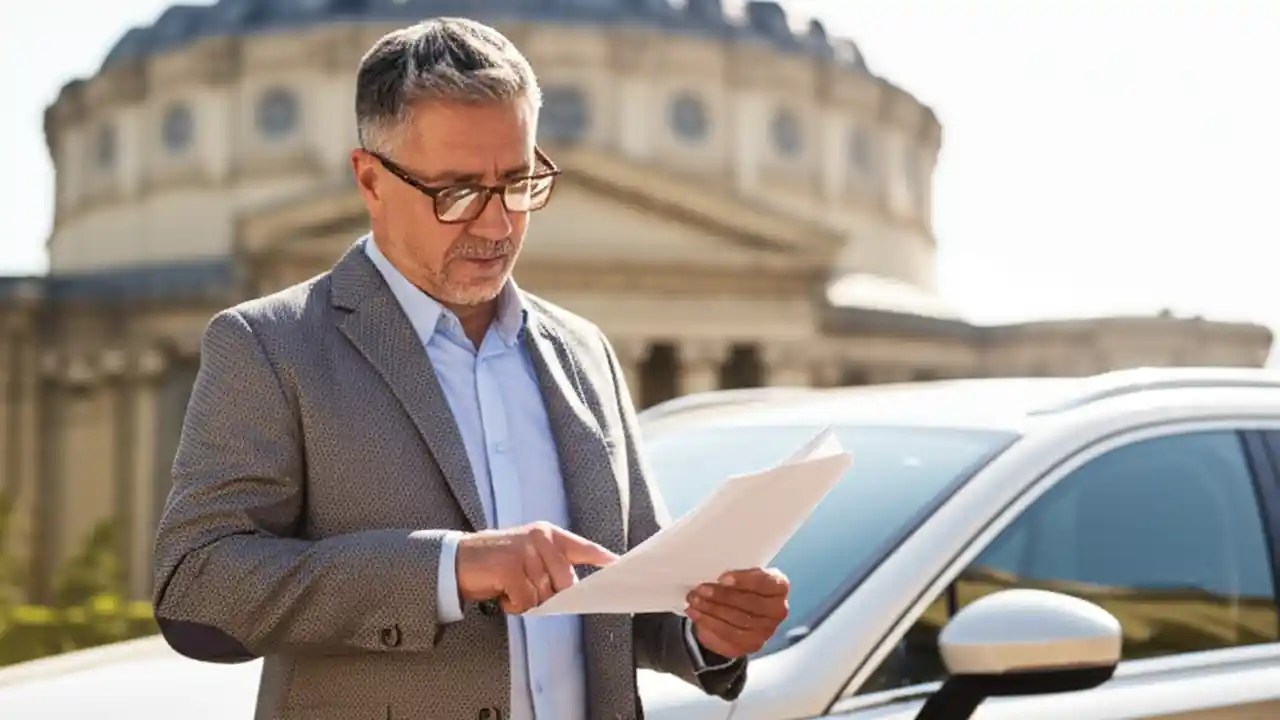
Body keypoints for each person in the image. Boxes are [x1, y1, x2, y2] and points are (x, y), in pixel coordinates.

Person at [151, 16, 790, 720]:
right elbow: (196, 586)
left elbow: (630, 594)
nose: (496, 226)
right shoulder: (270, 346)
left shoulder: (583, 353)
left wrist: (710, 630)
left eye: (518, 183)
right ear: (369, 178)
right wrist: (448, 569)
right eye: (456, 192)